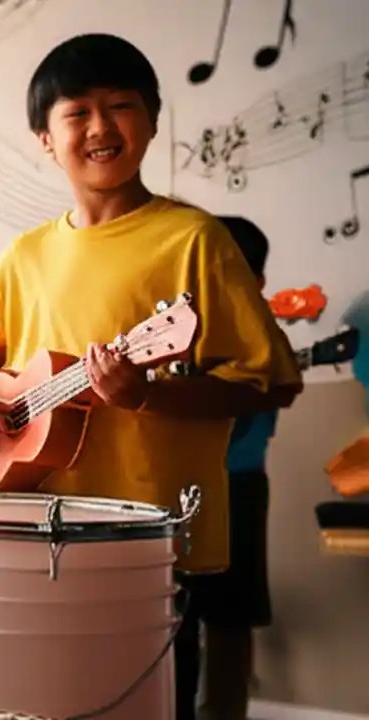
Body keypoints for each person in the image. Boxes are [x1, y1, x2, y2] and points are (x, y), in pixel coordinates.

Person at [0, 33, 302, 720]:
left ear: (153, 119)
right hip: (43, 530)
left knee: (150, 703)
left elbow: (260, 382)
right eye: (77, 112)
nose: (101, 127)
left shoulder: (193, 240)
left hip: (153, 538)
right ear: (45, 138)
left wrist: (149, 394)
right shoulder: (23, 257)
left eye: (121, 106)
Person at [191, 215, 295, 720]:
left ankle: (226, 712)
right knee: (178, 615)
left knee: (231, 618)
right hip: (179, 489)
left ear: (255, 283)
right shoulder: (183, 334)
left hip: (237, 487)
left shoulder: (262, 337)